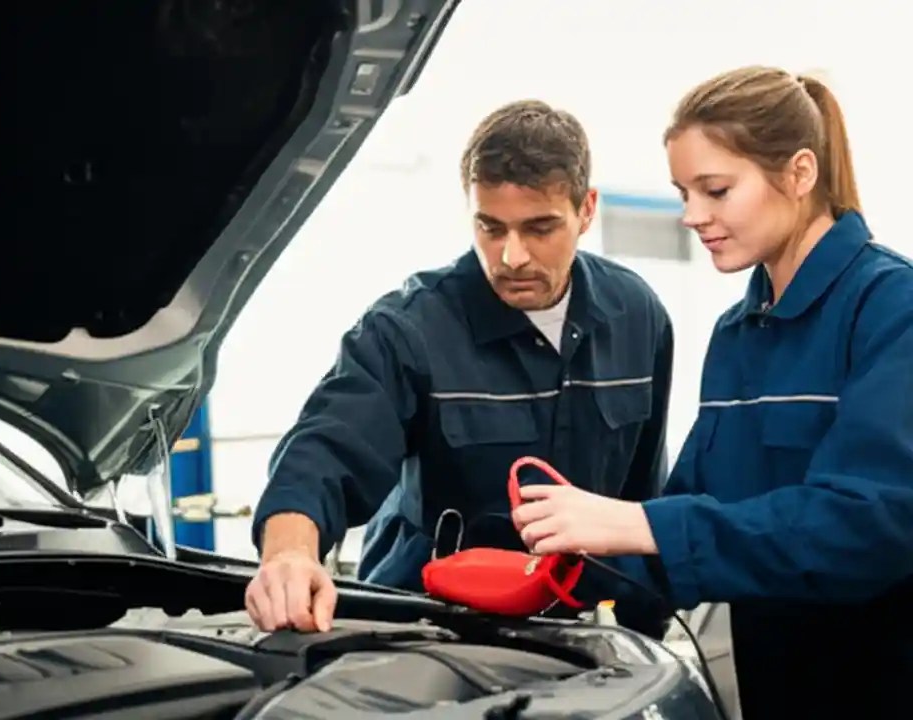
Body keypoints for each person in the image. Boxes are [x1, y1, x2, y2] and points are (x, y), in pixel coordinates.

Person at [511, 66, 913, 718]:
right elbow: (694, 515)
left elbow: (867, 528)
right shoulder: (736, 334)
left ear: (801, 173)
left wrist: (638, 522)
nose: (692, 216)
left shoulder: (893, 308)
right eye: (683, 192)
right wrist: (559, 581)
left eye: (716, 190)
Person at [245, 99, 675, 638]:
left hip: (573, 630)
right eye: (490, 227)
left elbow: (642, 499)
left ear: (586, 210)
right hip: (425, 630)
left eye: (539, 227)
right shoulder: (407, 329)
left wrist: (646, 633)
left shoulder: (638, 317)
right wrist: (288, 554)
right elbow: (325, 449)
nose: (511, 256)